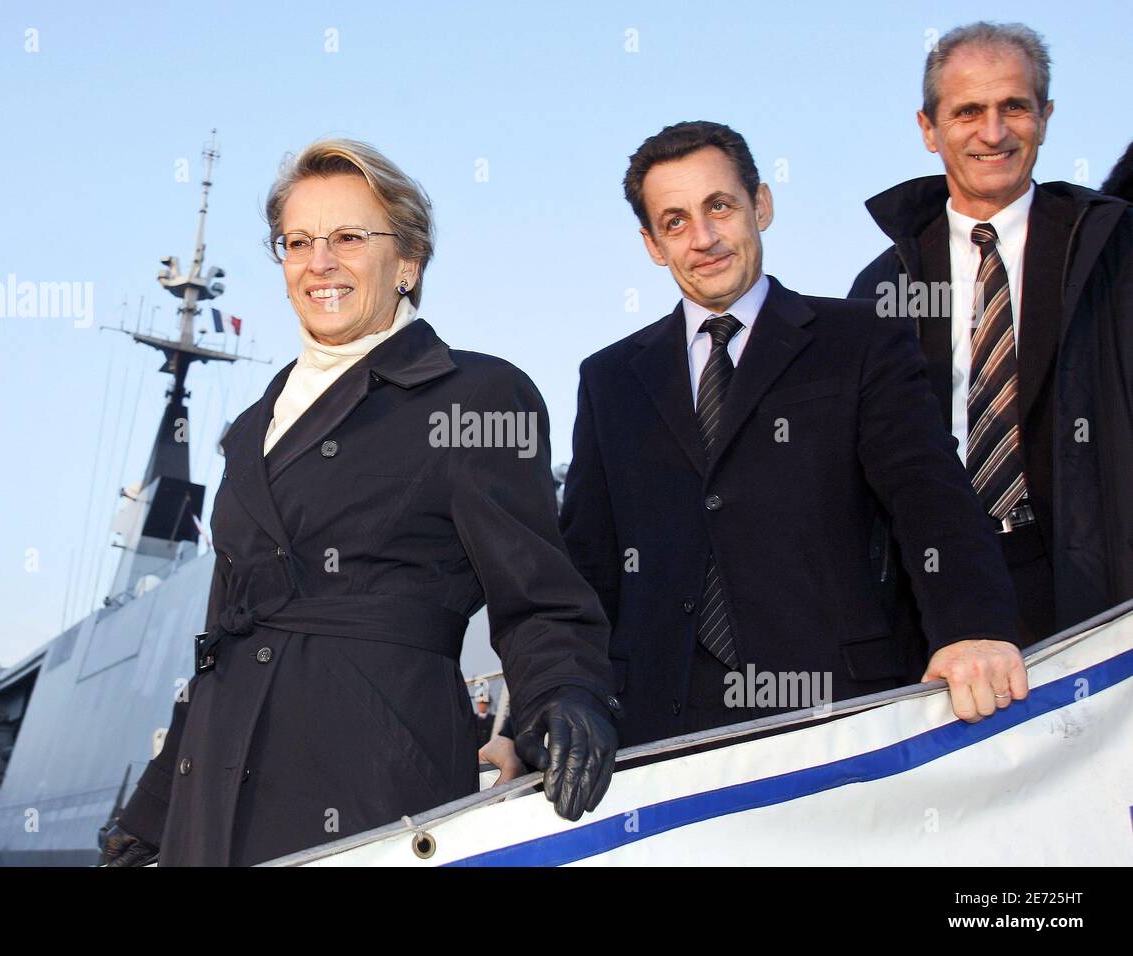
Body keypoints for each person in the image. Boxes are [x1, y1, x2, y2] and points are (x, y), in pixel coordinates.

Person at [101, 139, 617, 866]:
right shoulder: (253, 428)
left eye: (348, 237)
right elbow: (225, 638)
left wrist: (567, 693)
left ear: (408, 261)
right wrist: (147, 820)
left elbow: (537, 594)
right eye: (299, 241)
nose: (321, 262)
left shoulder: (474, 396)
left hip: (376, 787)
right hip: (211, 801)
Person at [517, 119, 1028, 755]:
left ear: (761, 204)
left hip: (835, 708)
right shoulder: (611, 378)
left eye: (719, 206)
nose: (703, 238)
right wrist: (538, 712)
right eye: (674, 222)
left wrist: (972, 630)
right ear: (651, 243)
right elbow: (589, 565)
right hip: (657, 726)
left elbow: (930, 500)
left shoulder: (860, 340)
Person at [850, 22, 1133, 642]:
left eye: (1015, 107)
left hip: (1098, 593)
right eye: (968, 111)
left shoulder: (1114, 252)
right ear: (928, 129)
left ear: (1046, 116)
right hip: (936, 604)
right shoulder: (880, 287)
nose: (994, 132)